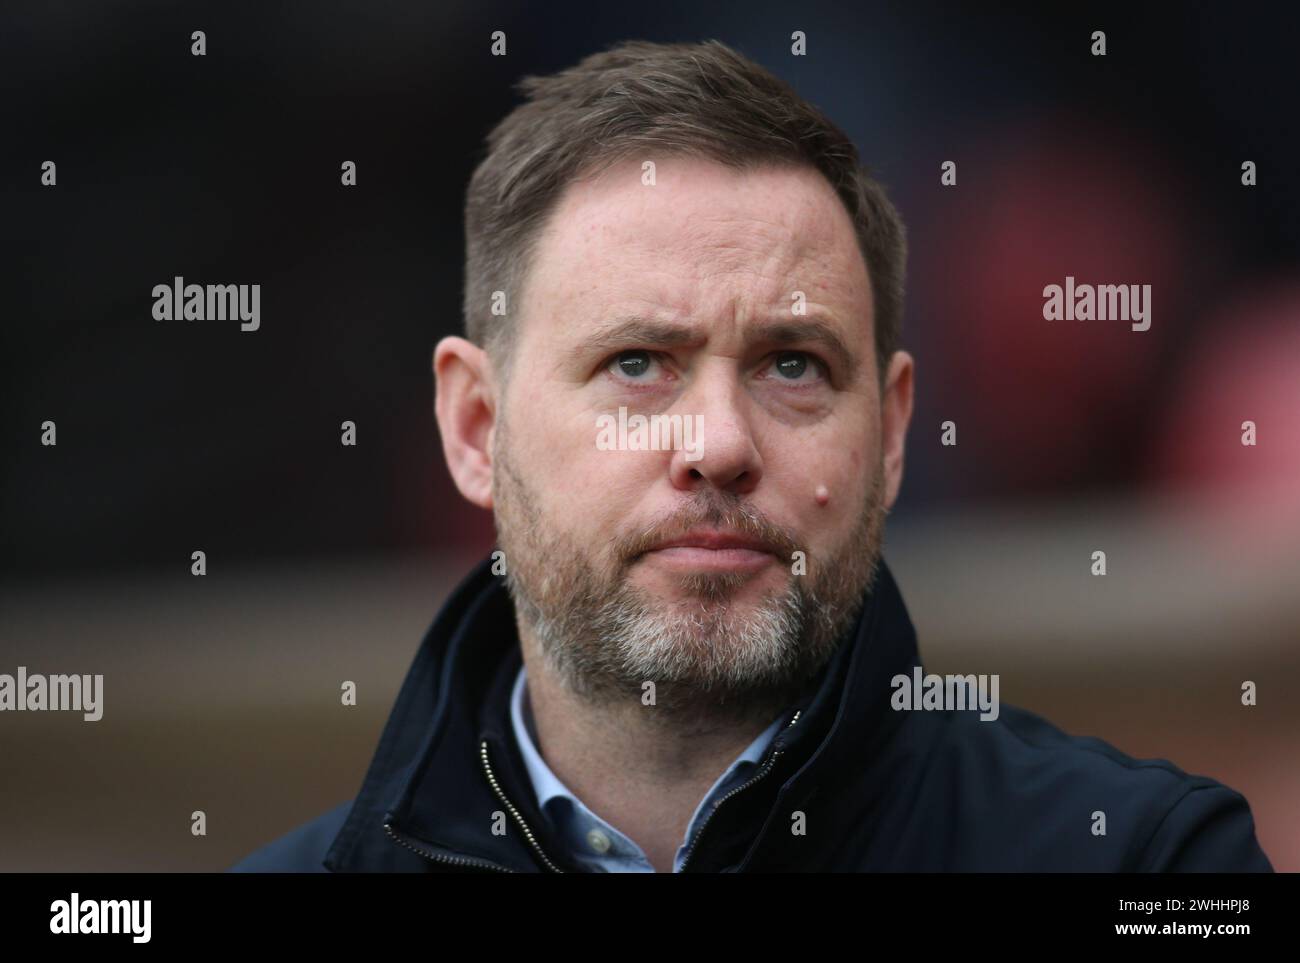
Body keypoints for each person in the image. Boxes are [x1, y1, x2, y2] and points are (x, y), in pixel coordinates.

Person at [232, 39, 1272, 872]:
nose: (720, 445)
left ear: (894, 432)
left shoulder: (1153, 863)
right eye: (637, 361)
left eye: (792, 366)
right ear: (474, 428)